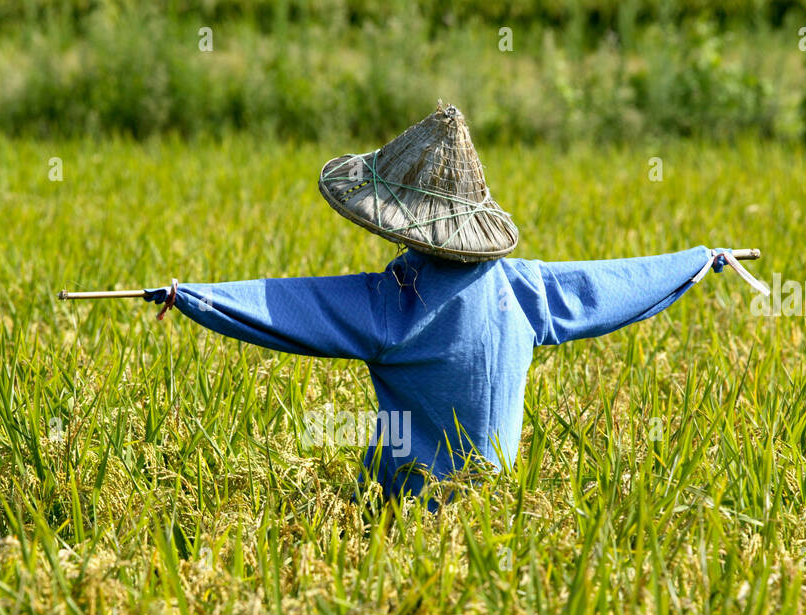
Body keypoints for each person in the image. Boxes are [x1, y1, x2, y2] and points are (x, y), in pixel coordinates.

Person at [141, 102, 765, 505]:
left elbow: (289, 305)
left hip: (404, 506)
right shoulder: (526, 292)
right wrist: (699, 260)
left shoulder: (391, 306)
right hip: (501, 499)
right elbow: (609, 285)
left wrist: (193, 298)